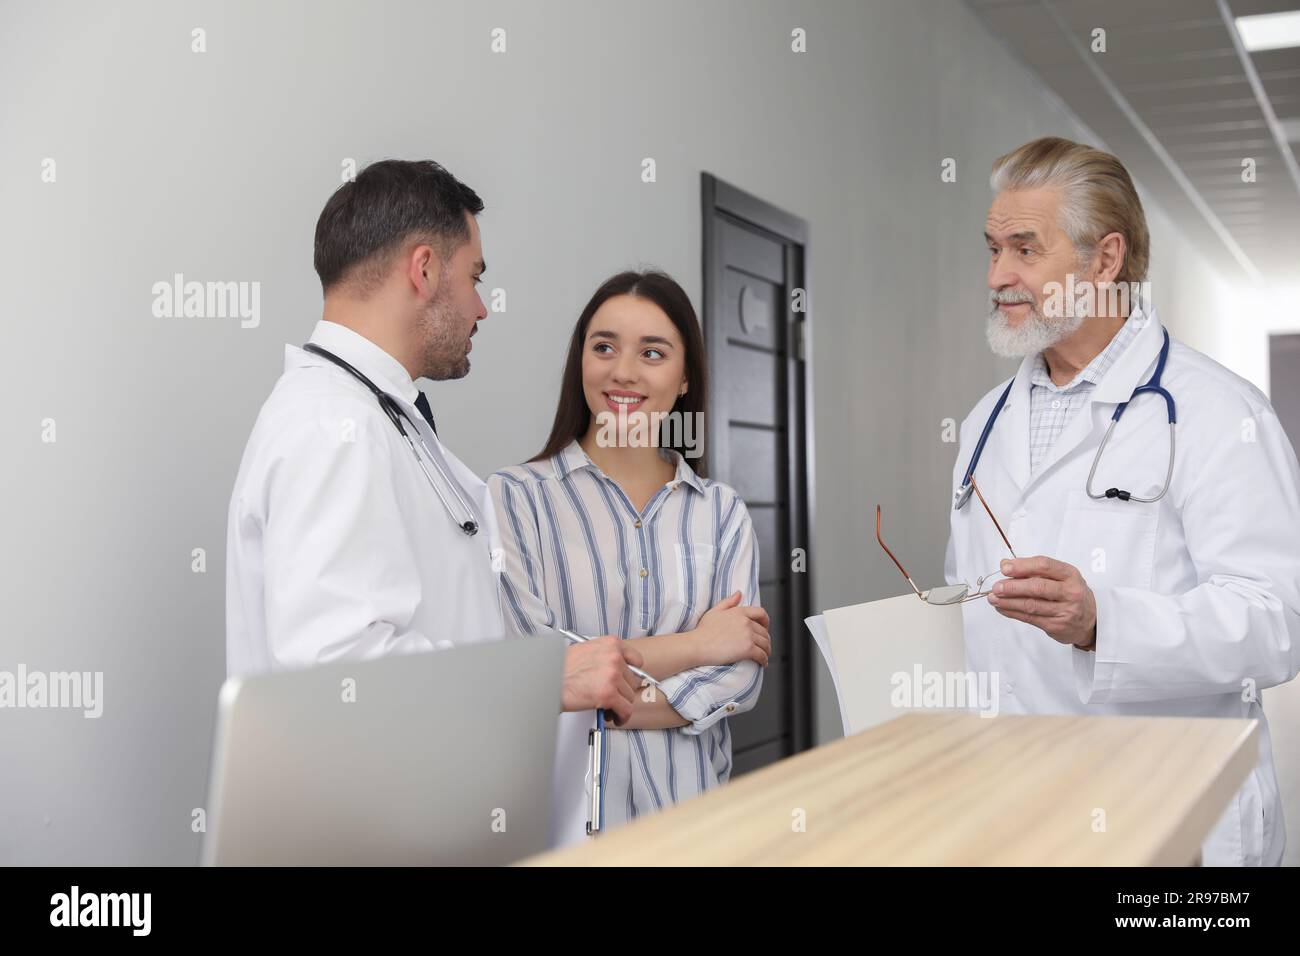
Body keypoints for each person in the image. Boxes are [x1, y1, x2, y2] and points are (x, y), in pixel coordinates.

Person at [946, 136, 1300, 865]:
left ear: (1104, 260)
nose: (997, 276)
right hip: (1021, 810)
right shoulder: (984, 423)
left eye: (1023, 249)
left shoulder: (1217, 412)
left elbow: (1276, 622)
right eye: (992, 249)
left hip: (1175, 810)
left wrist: (1104, 622)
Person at [225, 159, 643, 725]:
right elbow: (337, 674)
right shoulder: (334, 427)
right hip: (364, 809)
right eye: (475, 277)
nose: (481, 307)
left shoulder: (373, 415)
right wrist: (546, 678)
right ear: (423, 269)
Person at [489, 270, 770, 846]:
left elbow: (738, 677)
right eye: (604, 347)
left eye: (653, 352)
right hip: (564, 832)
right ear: (581, 361)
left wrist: (594, 685)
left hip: (696, 828)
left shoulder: (721, 513)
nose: (623, 371)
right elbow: (529, 671)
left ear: (686, 375)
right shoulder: (515, 499)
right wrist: (697, 645)